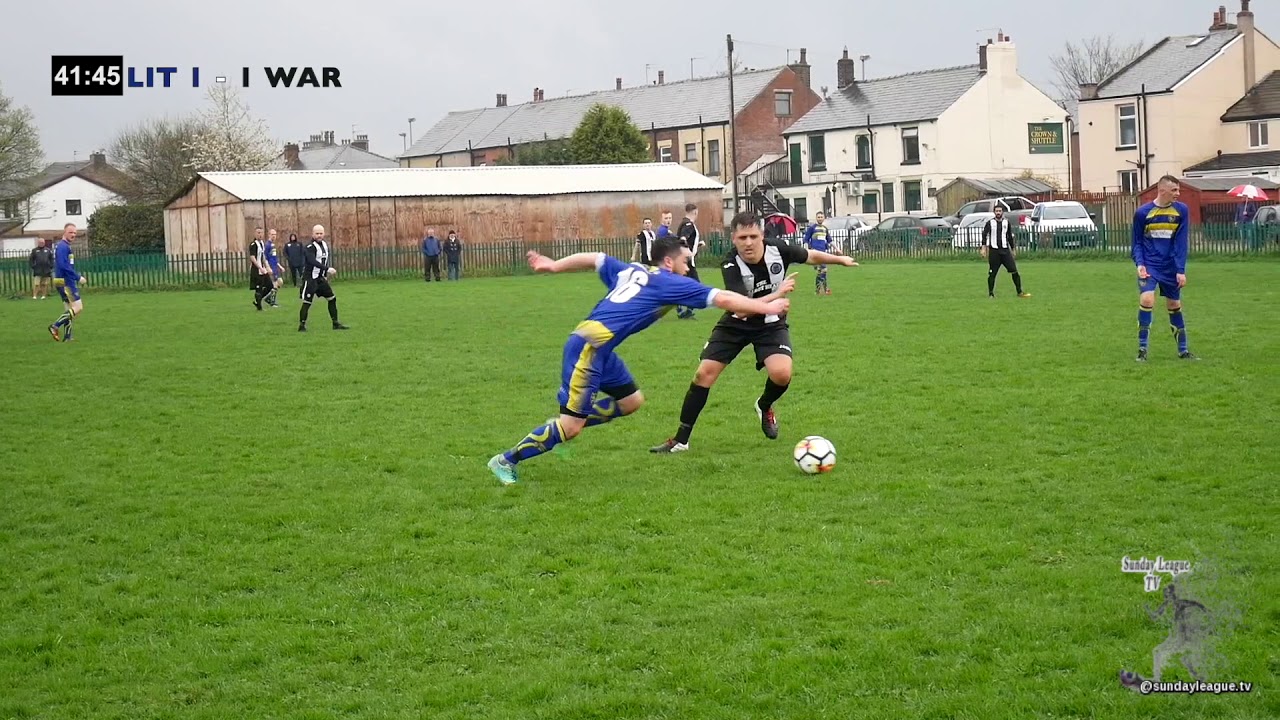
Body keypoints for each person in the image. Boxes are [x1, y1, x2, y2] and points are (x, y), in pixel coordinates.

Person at [487, 236, 792, 485]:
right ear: (669, 262)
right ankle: (505, 460)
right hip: (588, 350)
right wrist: (769, 307)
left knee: (631, 401)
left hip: (600, 348)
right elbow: (725, 299)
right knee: (572, 426)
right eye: (686, 261)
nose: (689, 267)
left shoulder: (633, 270)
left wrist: (554, 265)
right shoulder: (670, 282)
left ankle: (563, 424)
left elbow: (595, 257)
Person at [651, 210, 857, 454]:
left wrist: (840, 260)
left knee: (781, 374)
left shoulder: (778, 249)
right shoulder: (730, 263)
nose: (748, 243)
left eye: (753, 236)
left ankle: (764, 405)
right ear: (733, 239)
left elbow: (809, 255)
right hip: (736, 322)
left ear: (762, 235)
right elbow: (741, 307)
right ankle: (681, 440)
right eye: (742, 238)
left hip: (770, 323)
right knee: (703, 374)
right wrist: (777, 295)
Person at [1133, 175, 1196, 361]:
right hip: (1150, 264)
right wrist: (1140, 264)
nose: (1178, 193)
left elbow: (1181, 243)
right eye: (1174, 190)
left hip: (1170, 266)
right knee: (1147, 299)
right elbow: (1136, 242)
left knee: (1174, 305)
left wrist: (1180, 270)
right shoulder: (1142, 213)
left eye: (1178, 190)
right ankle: (1142, 350)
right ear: (1162, 190)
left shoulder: (1181, 210)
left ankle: (1183, 351)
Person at [298, 224, 350, 332]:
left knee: (332, 298)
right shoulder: (309, 247)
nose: (319, 235)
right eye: (317, 233)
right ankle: (302, 326)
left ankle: (335, 323)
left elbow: (324, 260)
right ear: (313, 234)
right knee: (307, 302)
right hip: (310, 279)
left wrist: (325, 274)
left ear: (324, 234)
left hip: (320, 279)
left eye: (321, 233)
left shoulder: (325, 245)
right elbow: (312, 261)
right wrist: (327, 269)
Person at [48, 224, 87, 342]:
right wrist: (77, 277)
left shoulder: (64, 246)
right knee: (78, 307)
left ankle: (68, 336)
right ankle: (55, 326)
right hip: (65, 281)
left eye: (75, 233)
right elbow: (63, 265)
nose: (73, 235)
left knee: (69, 308)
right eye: (71, 232)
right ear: (64, 232)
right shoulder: (63, 247)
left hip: (61, 280)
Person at [981, 204, 1029, 298]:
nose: (998, 213)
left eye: (1000, 211)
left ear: (1002, 212)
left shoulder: (1006, 222)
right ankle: (991, 294)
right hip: (994, 252)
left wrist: (1013, 249)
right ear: (994, 212)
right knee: (992, 273)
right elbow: (984, 235)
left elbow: (1010, 236)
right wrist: (983, 248)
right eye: (996, 211)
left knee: (1014, 271)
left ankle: (1019, 292)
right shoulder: (990, 223)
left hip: (1005, 251)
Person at [675, 203, 703, 319]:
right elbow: (683, 239)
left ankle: (683, 310)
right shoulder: (688, 224)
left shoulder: (684, 222)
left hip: (685, 260)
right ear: (695, 212)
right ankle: (685, 310)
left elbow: (685, 241)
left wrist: (698, 245)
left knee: (686, 285)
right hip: (687, 261)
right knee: (695, 285)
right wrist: (687, 253)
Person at [803, 210, 832, 295]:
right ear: (816, 218)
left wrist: (837, 249)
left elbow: (830, 240)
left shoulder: (825, 229)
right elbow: (806, 239)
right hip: (815, 252)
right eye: (818, 217)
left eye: (821, 217)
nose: (820, 218)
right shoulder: (812, 228)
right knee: (823, 270)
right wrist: (807, 250)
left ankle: (821, 290)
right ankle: (823, 289)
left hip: (823, 253)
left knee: (822, 271)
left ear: (824, 218)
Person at [248, 227, 274, 311]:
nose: (260, 235)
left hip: (263, 269)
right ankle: (259, 307)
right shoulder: (253, 244)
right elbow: (252, 257)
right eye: (258, 233)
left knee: (270, 286)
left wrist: (267, 267)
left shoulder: (262, 243)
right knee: (258, 289)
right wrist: (259, 267)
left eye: (261, 233)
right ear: (255, 234)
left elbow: (263, 257)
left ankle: (257, 300)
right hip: (256, 270)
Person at [264, 229, 284, 307]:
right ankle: (272, 302)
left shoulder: (273, 245)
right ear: (269, 235)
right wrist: (268, 267)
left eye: (275, 234)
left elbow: (274, 258)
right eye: (272, 234)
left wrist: (280, 266)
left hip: (275, 267)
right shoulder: (267, 245)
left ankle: (268, 298)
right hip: (271, 267)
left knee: (280, 282)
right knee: (275, 284)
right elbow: (265, 257)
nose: (274, 236)